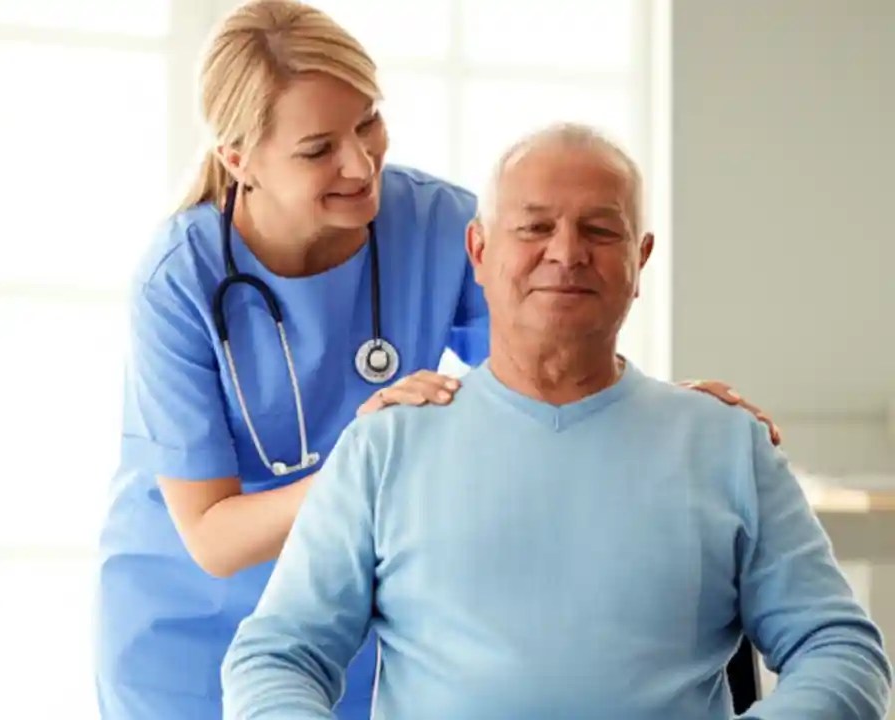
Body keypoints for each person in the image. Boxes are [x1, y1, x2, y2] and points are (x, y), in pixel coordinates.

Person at [95, 2, 780, 717]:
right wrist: (366, 467)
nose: (360, 164)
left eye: (368, 122)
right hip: (187, 635)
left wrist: (662, 412)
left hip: (348, 620)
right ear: (239, 159)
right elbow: (210, 536)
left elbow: (549, 373)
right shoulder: (179, 279)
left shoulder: (437, 224)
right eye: (317, 148)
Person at [220, 123, 893, 719]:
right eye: (534, 227)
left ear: (641, 261)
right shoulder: (386, 446)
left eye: (600, 230)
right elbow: (276, 658)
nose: (566, 253)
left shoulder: (723, 443)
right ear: (479, 252)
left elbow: (841, 652)